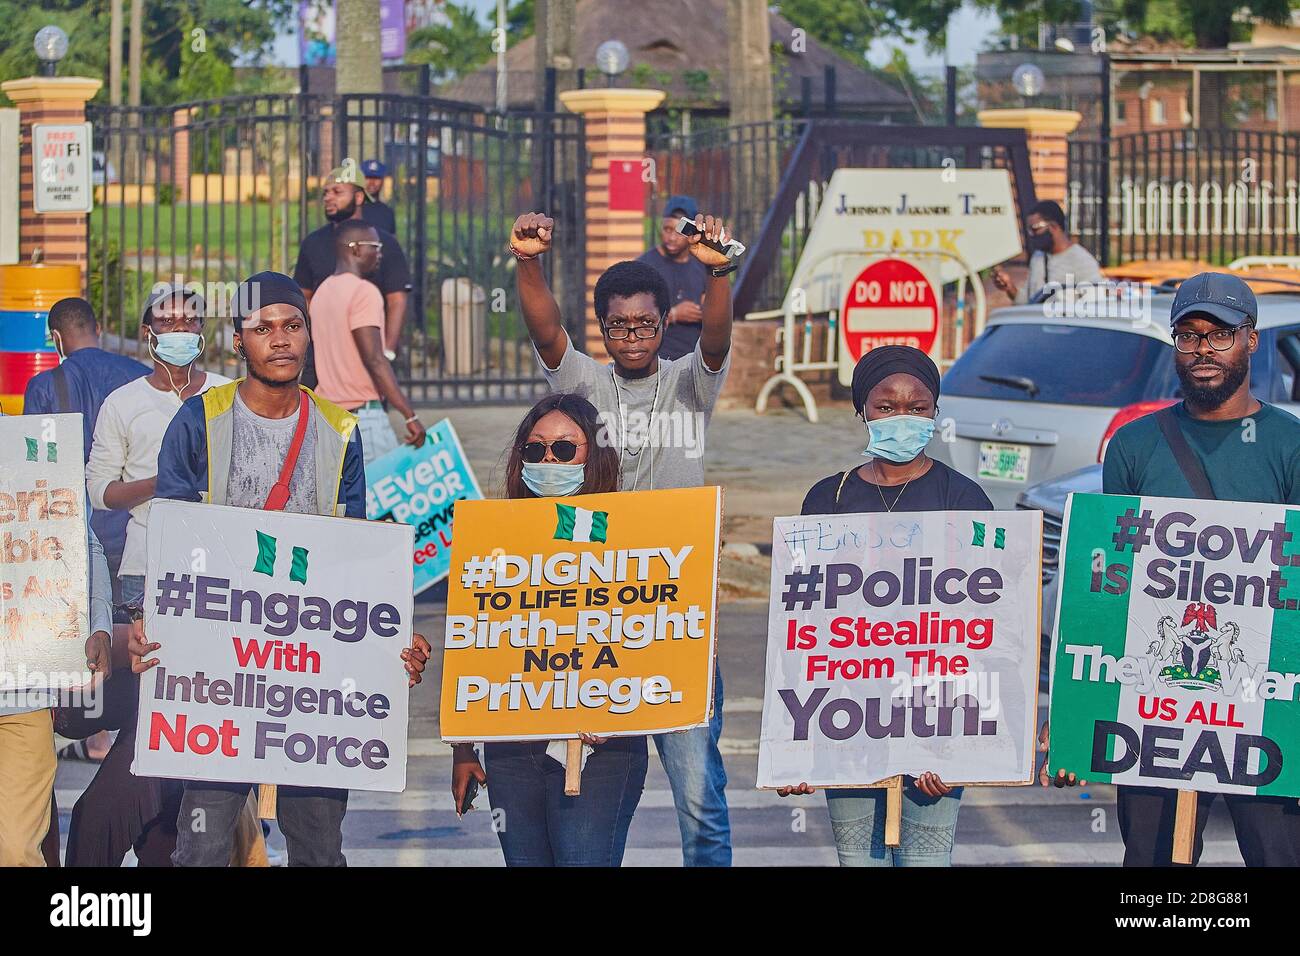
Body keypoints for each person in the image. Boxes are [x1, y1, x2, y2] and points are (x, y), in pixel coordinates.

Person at [148, 271, 430, 866]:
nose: (279, 340)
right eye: (262, 328)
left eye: (292, 326)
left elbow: (355, 556)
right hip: (218, 677)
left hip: (314, 681)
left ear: (308, 336)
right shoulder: (197, 422)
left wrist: (388, 641)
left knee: (320, 849)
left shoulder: (341, 431)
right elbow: (172, 544)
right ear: (237, 342)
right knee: (199, 847)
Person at [1045, 271, 1300, 866]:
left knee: (1278, 855)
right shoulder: (1135, 446)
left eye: (1219, 334)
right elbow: (1109, 591)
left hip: (1265, 701)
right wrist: (1077, 723)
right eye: (1189, 335)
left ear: (1251, 340)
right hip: (1153, 708)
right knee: (1154, 861)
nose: (1203, 350)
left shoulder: (1289, 444)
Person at [511, 209, 737, 866]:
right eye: (618, 325)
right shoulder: (583, 384)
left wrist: (718, 272)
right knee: (584, 784)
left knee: (700, 796)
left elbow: (719, 338)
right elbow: (545, 329)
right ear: (603, 328)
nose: (632, 335)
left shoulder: (691, 386)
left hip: (679, 623)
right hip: (595, 622)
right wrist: (528, 262)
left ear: (666, 325)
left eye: (645, 323)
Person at [776, 345, 991, 866]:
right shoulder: (825, 500)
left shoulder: (965, 501)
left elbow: (988, 627)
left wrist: (964, 742)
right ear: (861, 412)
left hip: (935, 721)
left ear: (935, 414)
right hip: (847, 718)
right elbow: (803, 623)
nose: (903, 418)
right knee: (859, 862)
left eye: (918, 408)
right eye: (886, 406)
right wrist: (794, 741)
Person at [449, 393, 648, 866]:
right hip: (510, 749)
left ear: (593, 456)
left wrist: (622, 710)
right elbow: (473, 641)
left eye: (564, 449)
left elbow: (660, 637)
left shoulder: (635, 535)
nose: (549, 460)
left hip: (601, 750)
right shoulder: (492, 536)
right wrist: (462, 745)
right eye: (536, 450)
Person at [86, 283, 232, 610]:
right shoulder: (122, 403)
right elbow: (98, 491)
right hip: (146, 562)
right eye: (167, 322)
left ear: (200, 329)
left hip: (222, 559)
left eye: (189, 320)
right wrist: (161, 484)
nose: (180, 328)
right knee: (150, 657)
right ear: (147, 332)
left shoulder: (228, 395)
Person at [0, 520, 112, 866]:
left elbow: (82, 544)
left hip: (23, 695)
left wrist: (99, 625)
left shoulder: (45, 465)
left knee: (18, 850)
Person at [22, 297, 149, 592]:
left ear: (56, 338)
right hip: (136, 526)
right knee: (137, 629)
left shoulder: (43, 386)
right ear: (99, 328)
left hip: (74, 530)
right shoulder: (142, 377)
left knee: (87, 626)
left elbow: (35, 467)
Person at [308, 218, 426, 465]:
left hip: (328, 418)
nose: (380, 254)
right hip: (363, 419)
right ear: (355, 248)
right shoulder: (364, 292)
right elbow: (374, 358)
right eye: (375, 246)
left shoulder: (322, 292)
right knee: (381, 500)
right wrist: (408, 415)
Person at [294, 163, 411, 362]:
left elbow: (397, 299)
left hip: (369, 352)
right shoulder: (313, 243)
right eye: (326, 193)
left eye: (337, 192)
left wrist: (388, 351)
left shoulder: (383, 243)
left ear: (358, 197)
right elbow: (303, 297)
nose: (328, 198)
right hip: (322, 355)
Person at [637, 195, 710, 361]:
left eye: (679, 232)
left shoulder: (702, 264)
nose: (671, 238)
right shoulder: (645, 265)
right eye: (667, 229)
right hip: (655, 361)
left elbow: (712, 309)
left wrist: (706, 311)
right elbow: (632, 315)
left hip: (693, 361)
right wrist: (675, 314)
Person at [991, 199, 1103, 305]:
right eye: (1029, 231)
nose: (1032, 235)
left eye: (1035, 229)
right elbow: (1027, 301)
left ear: (1053, 227)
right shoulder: (1038, 257)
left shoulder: (1082, 261)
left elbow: (1096, 303)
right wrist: (1009, 287)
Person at [360, 158, 397, 236]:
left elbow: (392, 241)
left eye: (376, 178)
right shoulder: (352, 209)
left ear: (382, 181)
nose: (372, 182)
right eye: (368, 177)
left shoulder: (387, 212)